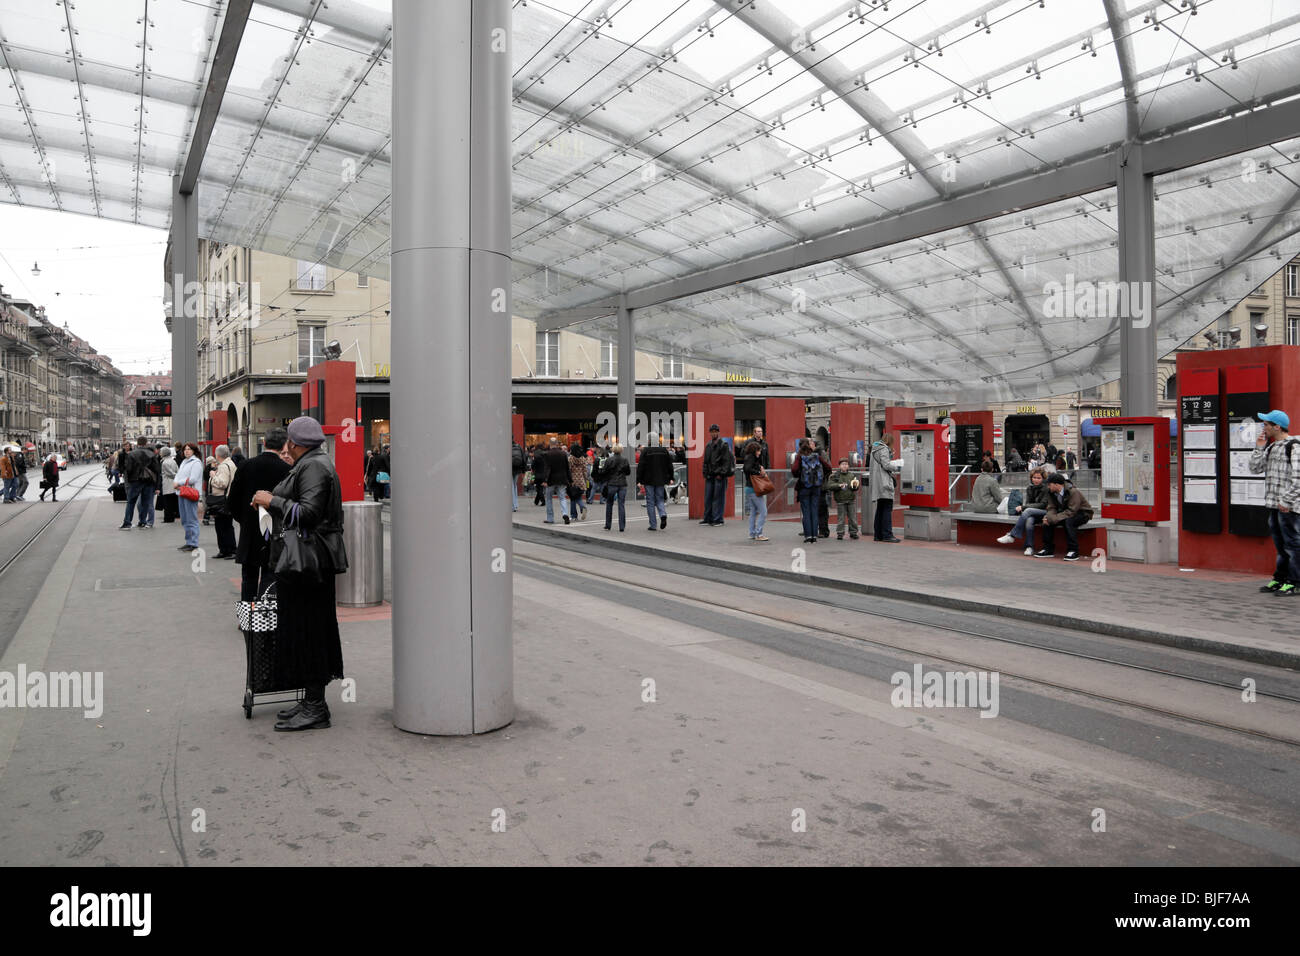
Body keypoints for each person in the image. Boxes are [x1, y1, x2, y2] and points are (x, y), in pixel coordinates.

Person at [251, 417, 347, 732]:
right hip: (304, 563)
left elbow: (308, 514)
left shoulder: (315, 466)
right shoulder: (311, 463)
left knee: (310, 630)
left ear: (295, 442)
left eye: (290, 441)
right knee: (303, 629)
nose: (287, 446)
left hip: (310, 565)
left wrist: (271, 500)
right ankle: (310, 701)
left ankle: (316, 706)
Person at [228, 425, 293, 601]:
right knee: (269, 574)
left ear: (264, 442)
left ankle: (247, 618)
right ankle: (265, 617)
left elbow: (232, 500)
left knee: (248, 576)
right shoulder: (287, 470)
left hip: (250, 529)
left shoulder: (245, 465)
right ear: (284, 445)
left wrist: (243, 519)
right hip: (275, 531)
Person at [1250, 410, 1300, 596]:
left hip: (1289, 507)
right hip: (1274, 505)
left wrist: (1286, 500)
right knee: (1281, 546)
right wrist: (1259, 447)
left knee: (1293, 545)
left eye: (1266, 424)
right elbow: (1254, 468)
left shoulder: (1294, 447)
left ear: (1277, 426)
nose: (1264, 428)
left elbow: (1299, 477)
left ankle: (1295, 582)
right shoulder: (1271, 447)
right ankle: (1280, 579)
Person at [1036, 472, 1093, 561]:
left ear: (1057, 484)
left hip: (1082, 513)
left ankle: (1073, 550)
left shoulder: (1073, 491)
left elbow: (1072, 511)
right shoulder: (1050, 492)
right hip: (1065, 512)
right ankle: (1048, 549)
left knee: (1069, 521)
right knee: (1047, 521)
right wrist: (1049, 517)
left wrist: (1054, 518)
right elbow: (1051, 507)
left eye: (1049, 484)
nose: (1048, 486)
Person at [997, 467, 1050, 554]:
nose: (1036, 480)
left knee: (1028, 510)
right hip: (1033, 513)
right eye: (1034, 477)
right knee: (1029, 520)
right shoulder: (1030, 488)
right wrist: (1026, 507)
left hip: (1045, 512)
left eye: (1039, 478)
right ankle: (1029, 547)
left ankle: (1012, 535)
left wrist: (1024, 507)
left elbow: (1043, 505)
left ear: (1043, 479)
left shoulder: (1046, 488)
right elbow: (1028, 503)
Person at [870, 433, 902, 542]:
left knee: (880, 509)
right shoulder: (883, 449)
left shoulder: (875, 449)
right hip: (884, 482)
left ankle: (878, 534)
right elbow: (886, 465)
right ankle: (887, 534)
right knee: (887, 509)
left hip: (877, 482)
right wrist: (897, 466)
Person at [700, 425, 735, 526]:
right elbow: (705, 462)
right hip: (710, 475)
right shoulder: (708, 445)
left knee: (718, 498)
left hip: (719, 476)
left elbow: (727, 461)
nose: (713, 433)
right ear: (710, 433)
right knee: (708, 498)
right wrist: (705, 473)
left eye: (715, 431)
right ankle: (708, 518)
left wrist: (721, 474)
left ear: (718, 433)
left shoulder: (723, 445)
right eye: (712, 431)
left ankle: (718, 519)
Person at [791, 438, 824, 544]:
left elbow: (794, 470)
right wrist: (821, 479)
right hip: (816, 487)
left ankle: (808, 536)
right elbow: (828, 467)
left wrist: (799, 475)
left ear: (800, 446)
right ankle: (815, 535)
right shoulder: (816, 456)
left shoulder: (799, 457)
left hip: (804, 487)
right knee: (814, 511)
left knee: (806, 512)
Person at [209, 444, 238, 559]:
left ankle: (227, 550)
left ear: (217, 454)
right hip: (228, 498)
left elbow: (223, 483)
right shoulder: (231, 464)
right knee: (226, 525)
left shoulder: (223, 466)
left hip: (221, 499)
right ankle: (228, 549)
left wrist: (213, 476)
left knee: (222, 526)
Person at [174, 442, 204, 552]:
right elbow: (178, 474)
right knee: (185, 519)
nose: (186, 451)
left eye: (189, 449)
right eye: (185, 449)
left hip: (190, 493)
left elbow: (193, 479)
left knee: (191, 519)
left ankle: (193, 543)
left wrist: (178, 483)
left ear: (194, 451)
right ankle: (188, 541)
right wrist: (175, 482)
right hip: (182, 492)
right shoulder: (184, 462)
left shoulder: (196, 462)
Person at [639, 437, 673, 531]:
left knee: (650, 502)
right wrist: (671, 477)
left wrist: (639, 479)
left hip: (648, 480)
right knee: (660, 499)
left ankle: (653, 525)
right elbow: (669, 464)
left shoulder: (646, 450)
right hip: (661, 479)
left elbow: (641, 465)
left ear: (649, 440)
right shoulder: (664, 450)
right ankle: (663, 514)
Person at [120, 440, 154, 528]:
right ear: (146, 443)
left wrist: (130, 480)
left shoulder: (132, 454)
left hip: (135, 481)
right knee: (145, 502)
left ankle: (127, 523)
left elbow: (128, 468)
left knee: (131, 502)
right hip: (148, 481)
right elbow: (157, 470)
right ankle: (142, 522)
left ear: (137, 444)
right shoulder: (151, 454)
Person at [741, 439, 770, 541]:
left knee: (753, 511)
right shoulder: (751, 458)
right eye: (758, 450)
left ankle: (752, 533)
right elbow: (748, 469)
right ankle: (759, 533)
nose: (760, 452)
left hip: (749, 488)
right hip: (754, 488)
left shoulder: (749, 457)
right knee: (763, 511)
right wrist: (759, 471)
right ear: (754, 450)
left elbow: (746, 469)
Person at [826, 457, 860, 540]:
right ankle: (840, 533)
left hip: (851, 499)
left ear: (848, 466)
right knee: (841, 518)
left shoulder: (851, 475)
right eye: (843, 464)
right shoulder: (835, 475)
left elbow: (855, 487)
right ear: (839, 466)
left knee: (852, 518)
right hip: (840, 500)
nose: (845, 466)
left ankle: (853, 532)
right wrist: (838, 485)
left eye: (846, 464)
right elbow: (829, 486)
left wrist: (855, 486)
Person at [539, 437, 571, 524]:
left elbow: (547, 468)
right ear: (557, 444)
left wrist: (545, 480)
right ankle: (565, 513)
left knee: (549, 498)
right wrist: (570, 479)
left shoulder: (548, 454)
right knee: (562, 498)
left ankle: (550, 518)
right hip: (562, 479)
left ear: (550, 444)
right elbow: (567, 468)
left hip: (551, 480)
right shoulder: (563, 454)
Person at [601, 442, 631, 531]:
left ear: (613, 450)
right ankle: (622, 526)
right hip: (622, 484)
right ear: (621, 450)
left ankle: (608, 524)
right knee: (621, 504)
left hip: (611, 483)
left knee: (609, 503)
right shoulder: (625, 460)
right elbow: (628, 472)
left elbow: (604, 471)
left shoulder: (609, 460)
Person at [566, 443, 590, 522]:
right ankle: (580, 510)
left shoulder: (570, 459)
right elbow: (585, 471)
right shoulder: (583, 458)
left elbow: (568, 470)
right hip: (581, 481)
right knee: (578, 497)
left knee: (573, 498)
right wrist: (586, 479)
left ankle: (575, 514)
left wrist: (568, 480)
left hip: (573, 481)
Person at [158, 446, 179, 522]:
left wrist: (175, 476)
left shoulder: (164, 462)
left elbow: (170, 473)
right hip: (174, 484)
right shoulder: (173, 461)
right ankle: (171, 517)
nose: (160, 453)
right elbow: (177, 470)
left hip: (168, 484)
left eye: (161, 452)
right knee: (172, 501)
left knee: (167, 503)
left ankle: (168, 518)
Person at [510, 439, 526, 512]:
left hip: (510, 468)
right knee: (514, 485)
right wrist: (523, 470)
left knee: (512, 486)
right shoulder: (519, 446)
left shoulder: (506, 446)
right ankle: (516, 505)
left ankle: (513, 506)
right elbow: (524, 458)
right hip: (517, 469)